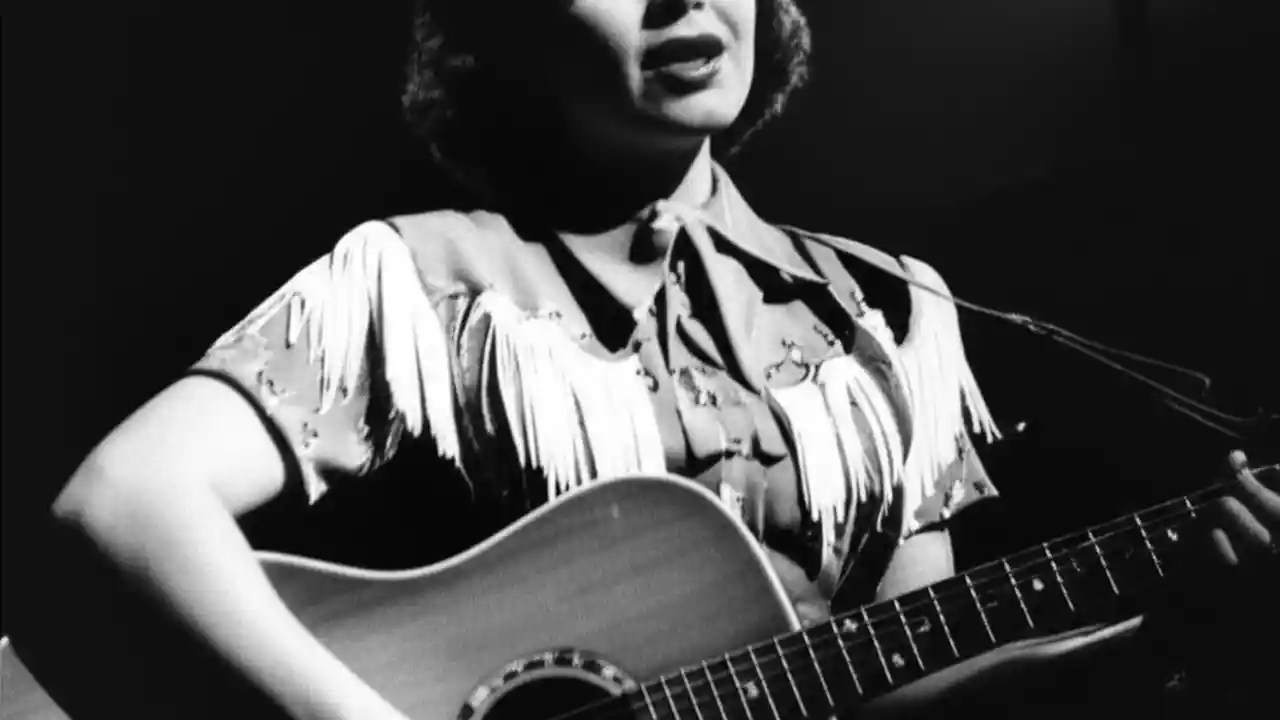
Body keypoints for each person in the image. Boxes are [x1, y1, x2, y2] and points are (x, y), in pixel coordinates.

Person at [49, 1, 1278, 719]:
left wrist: (1158, 636)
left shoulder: (882, 315)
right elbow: (122, 502)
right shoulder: (424, 282)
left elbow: (900, 682)